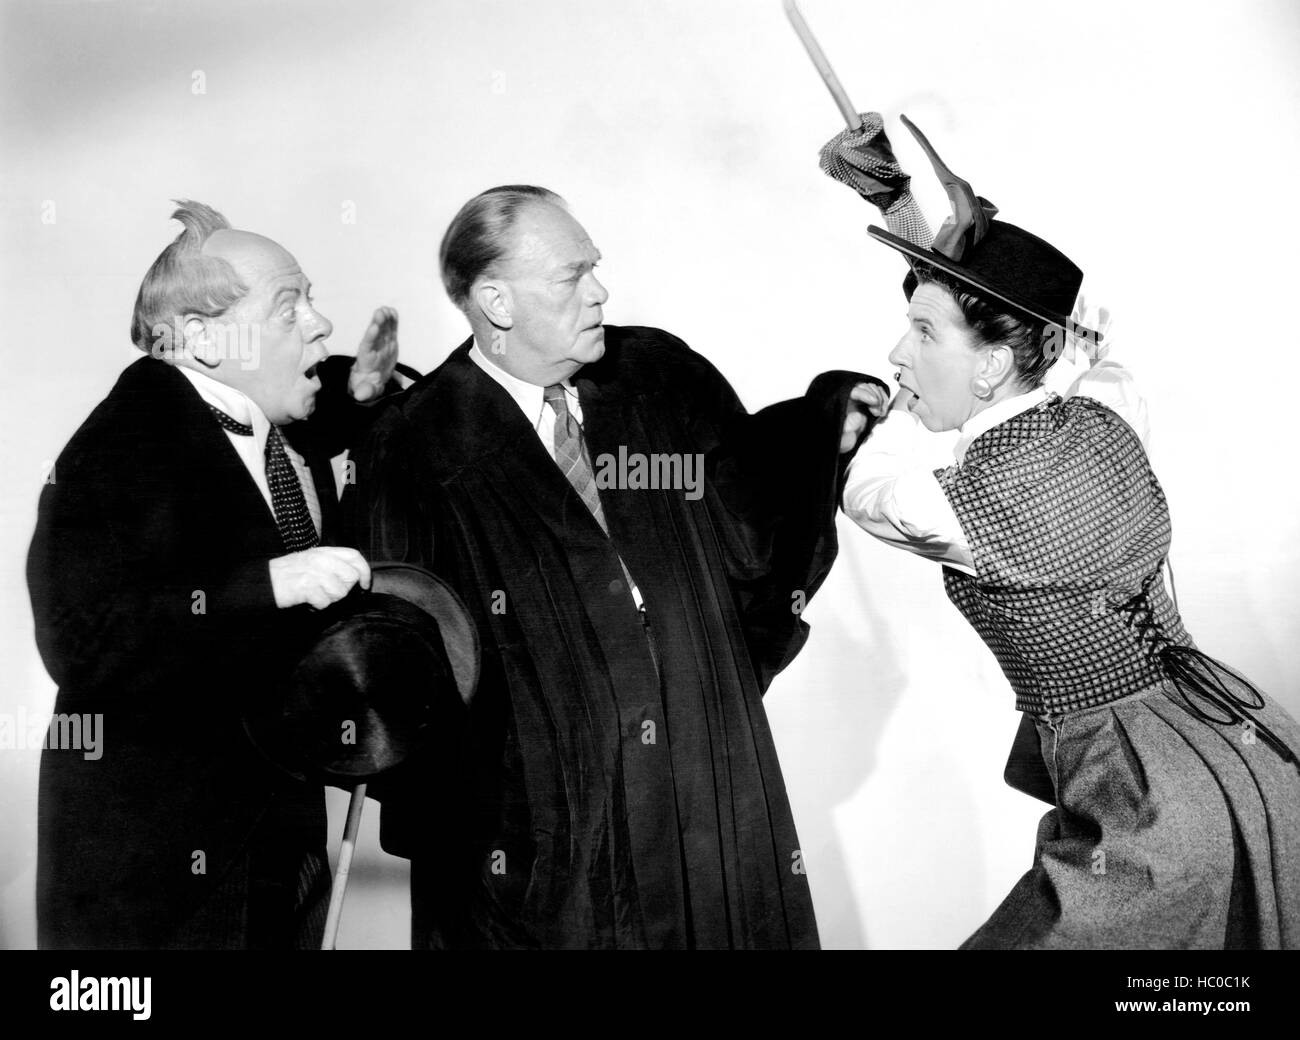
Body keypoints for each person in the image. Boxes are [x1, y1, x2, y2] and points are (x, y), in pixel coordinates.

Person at [344, 184, 884, 949]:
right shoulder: (419, 443)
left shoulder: (654, 375)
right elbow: (404, 655)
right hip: (547, 803)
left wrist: (819, 424)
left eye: (595, 269)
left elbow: (741, 508)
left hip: (701, 759)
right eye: (572, 277)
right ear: (495, 301)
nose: (600, 292)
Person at [822, 114, 1300, 948]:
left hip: (1154, 812)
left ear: (995, 363)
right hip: (1254, 753)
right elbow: (995, 316)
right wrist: (901, 207)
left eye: (920, 336)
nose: (898, 351)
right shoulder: (1108, 405)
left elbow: (864, 488)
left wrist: (896, 401)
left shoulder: (967, 499)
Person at [28, 200, 400, 949]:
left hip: (280, 855)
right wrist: (265, 587)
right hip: (162, 885)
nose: (320, 324)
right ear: (201, 337)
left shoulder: (268, 431)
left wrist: (366, 396)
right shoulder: (118, 447)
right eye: (290, 305)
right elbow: (81, 642)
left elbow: (314, 421)